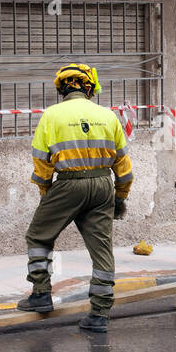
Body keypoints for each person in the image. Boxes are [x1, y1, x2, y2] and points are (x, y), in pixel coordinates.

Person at [17, 63, 133, 333]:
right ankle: (100, 314)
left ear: (62, 88)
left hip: (68, 184)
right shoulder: (108, 116)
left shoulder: (51, 116)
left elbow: (41, 162)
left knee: (38, 235)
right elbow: (124, 167)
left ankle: (41, 293)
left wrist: (46, 194)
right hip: (104, 184)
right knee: (102, 249)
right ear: (89, 87)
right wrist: (119, 198)